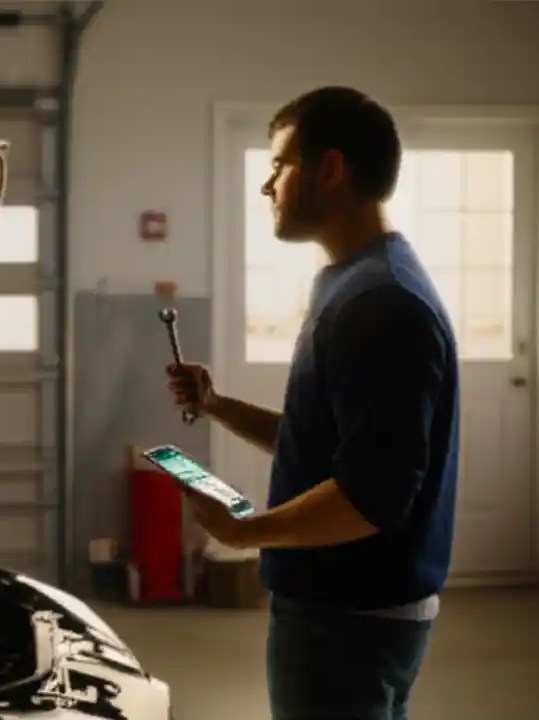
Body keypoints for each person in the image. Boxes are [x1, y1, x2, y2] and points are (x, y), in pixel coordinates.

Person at [165, 86, 460, 720]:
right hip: (348, 610)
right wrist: (218, 405)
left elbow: (368, 497)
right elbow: (332, 449)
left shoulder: (380, 305)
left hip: (347, 619)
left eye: (278, 165)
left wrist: (245, 532)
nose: (267, 186)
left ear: (330, 169)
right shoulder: (355, 283)